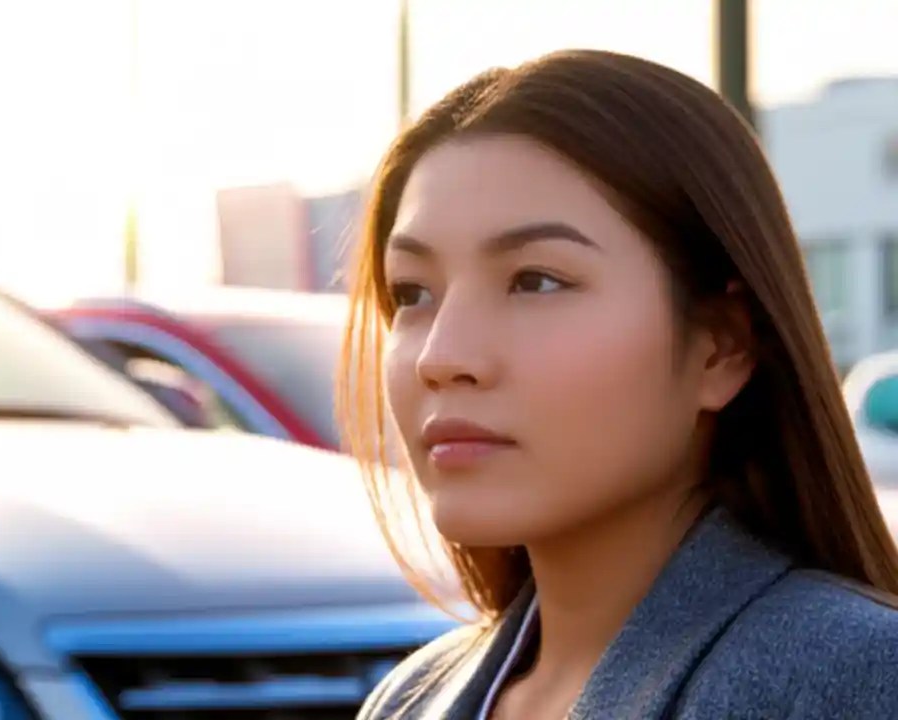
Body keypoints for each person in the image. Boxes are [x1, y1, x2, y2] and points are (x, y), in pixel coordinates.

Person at [341, 49, 898, 719]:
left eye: (536, 281)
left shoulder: (852, 679)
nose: (441, 355)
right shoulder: (408, 699)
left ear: (722, 346)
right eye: (412, 292)